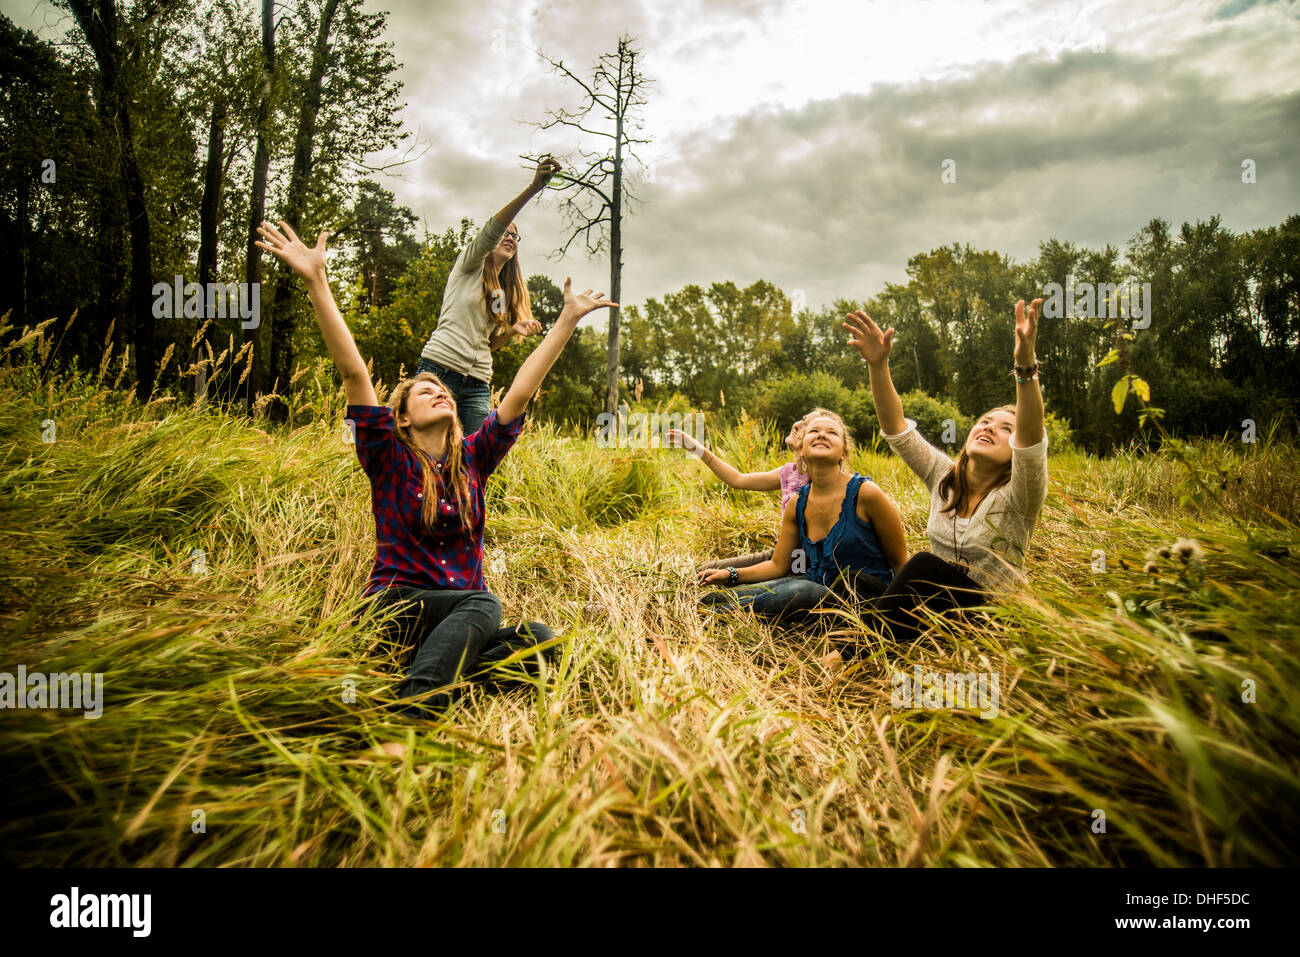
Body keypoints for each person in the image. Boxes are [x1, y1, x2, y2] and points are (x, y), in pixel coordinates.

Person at [255, 218, 616, 717]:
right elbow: (353, 371)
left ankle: (425, 669)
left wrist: (565, 323)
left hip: (455, 616)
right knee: (484, 604)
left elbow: (518, 394)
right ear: (401, 416)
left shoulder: (472, 460)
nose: (441, 390)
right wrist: (317, 280)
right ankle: (415, 709)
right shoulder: (387, 454)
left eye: (443, 389)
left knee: (538, 641)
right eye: (426, 390)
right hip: (395, 607)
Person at [821, 299, 1049, 669]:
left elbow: (1032, 442)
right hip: (937, 612)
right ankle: (885, 638)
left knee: (924, 565)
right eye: (986, 421)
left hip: (989, 619)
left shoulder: (1021, 495)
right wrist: (878, 365)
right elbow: (896, 428)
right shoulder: (944, 477)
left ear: (1016, 449)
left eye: (1006, 428)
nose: (990, 427)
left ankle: (850, 654)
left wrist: (1025, 368)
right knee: (855, 579)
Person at [697, 410, 907, 623]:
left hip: (862, 602)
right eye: (814, 431)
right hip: (812, 586)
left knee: (800, 589)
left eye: (832, 432)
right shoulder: (798, 503)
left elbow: (900, 564)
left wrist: (895, 622)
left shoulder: (866, 493)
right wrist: (731, 574)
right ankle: (707, 612)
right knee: (716, 598)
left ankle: (716, 618)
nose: (822, 435)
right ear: (802, 449)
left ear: (844, 452)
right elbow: (778, 565)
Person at [416, 156, 562, 435]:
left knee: (472, 461)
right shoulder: (469, 265)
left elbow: (489, 342)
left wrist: (512, 329)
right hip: (439, 371)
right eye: (505, 234)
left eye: (515, 237)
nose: (509, 238)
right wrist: (533, 189)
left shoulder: (502, 293)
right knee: (425, 450)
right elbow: (492, 229)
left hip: (477, 384)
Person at [666, 414, 813, 573]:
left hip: (804, 566)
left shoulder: (824, 479)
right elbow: (738, 480)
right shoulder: (789, 473)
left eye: (808, 425)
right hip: (780, 556)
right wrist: (699, 449)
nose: (797, 424)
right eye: (802, 419)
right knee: (694, 571)